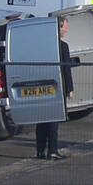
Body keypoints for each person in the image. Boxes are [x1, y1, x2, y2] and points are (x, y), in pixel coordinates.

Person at [35, 17, 73, 160]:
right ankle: (52, 150)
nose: (66, 30)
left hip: (42, 86)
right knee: (53, 122)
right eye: (65, 28)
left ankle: (40, 150)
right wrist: (69, 88)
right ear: (59, 28)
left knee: (42, 120)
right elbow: (66, 70)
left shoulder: (42, 45)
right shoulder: (63, 46)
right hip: (56, 87)